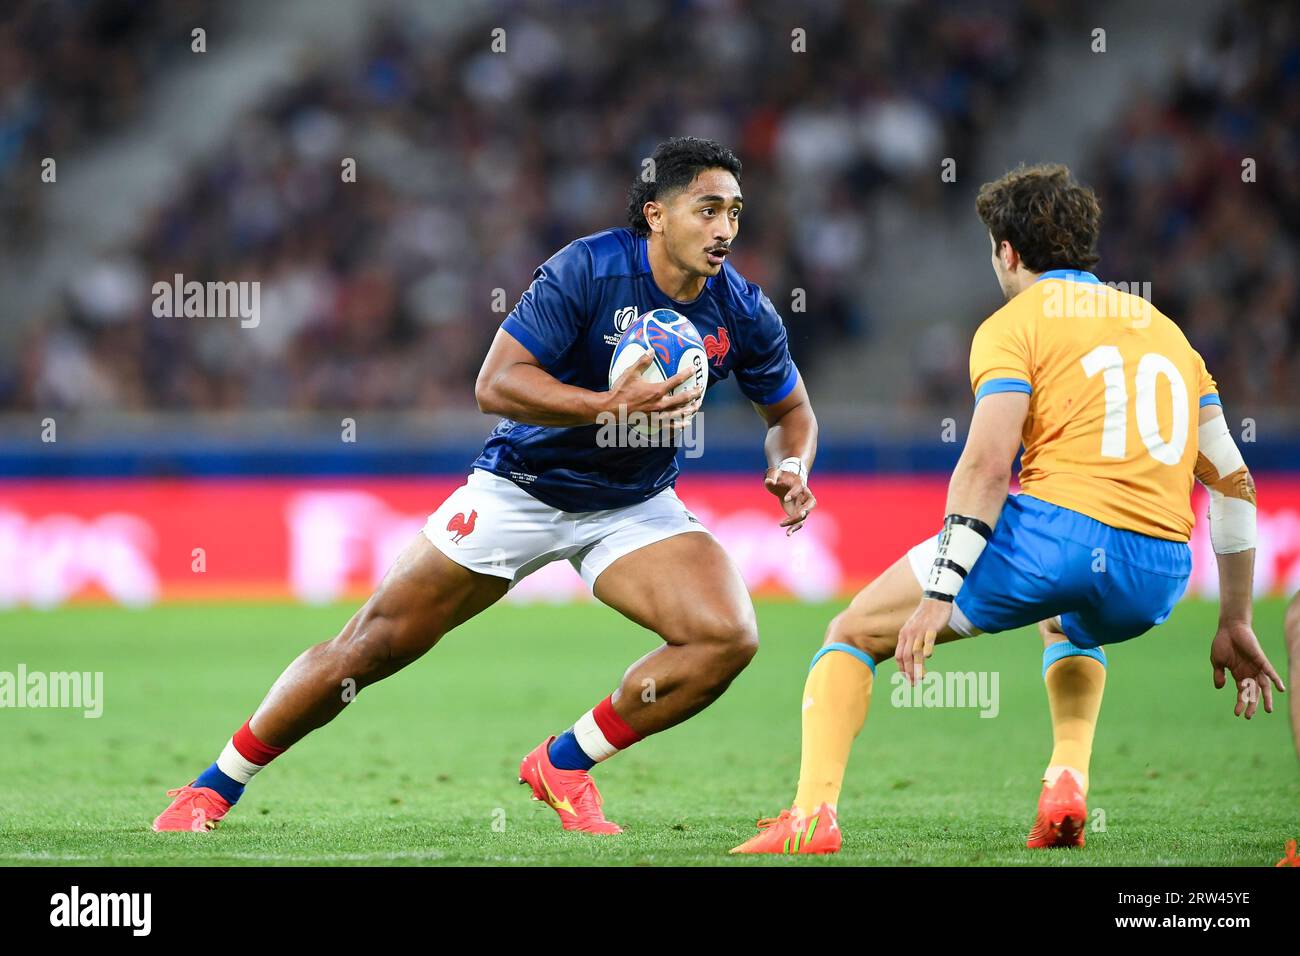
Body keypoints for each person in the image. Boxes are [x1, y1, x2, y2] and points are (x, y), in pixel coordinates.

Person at [153, 136, 818, 835]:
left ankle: (563, 763)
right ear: (656, 214)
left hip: (633, 504)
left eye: (735, 213)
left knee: (727, 637)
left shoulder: (741, 309)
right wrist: (605, 408)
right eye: (707, 209)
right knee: (371, 646)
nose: (724, 230)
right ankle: (211, 787)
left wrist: (793, 464)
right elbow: (494, 384)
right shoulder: (587, 270)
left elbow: (790, 412)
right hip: (521, 489)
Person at [733, 163, 1284, 855]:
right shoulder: (1167, 332)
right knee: (1069, 621)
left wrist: (940, 593)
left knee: (853, 630)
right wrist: (1235, 617)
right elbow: (1233, 480)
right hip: (1159, 572)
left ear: (1008, 251)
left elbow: (989, 466)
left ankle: (810, 819)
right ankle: (1066, 783)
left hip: (1054, 536)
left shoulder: (1011, 325)